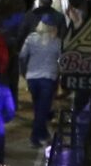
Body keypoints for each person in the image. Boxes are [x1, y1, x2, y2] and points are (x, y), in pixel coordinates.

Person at [19, 16, 63, 145]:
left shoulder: (31, 39)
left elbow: (22, 55)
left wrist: (24, 71)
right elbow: (62, 60)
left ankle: (43, 134)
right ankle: (35, 137)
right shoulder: (57, 42)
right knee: (42, 109)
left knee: (39, 108)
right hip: (48, 78)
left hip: (32, 78)